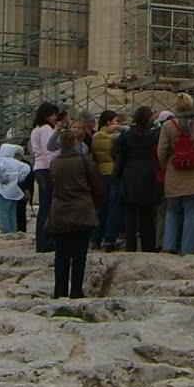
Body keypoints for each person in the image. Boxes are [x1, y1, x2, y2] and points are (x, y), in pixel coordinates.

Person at [47, 124, 105, 298]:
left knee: (61, 255)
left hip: (59, 211)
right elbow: (97, 186)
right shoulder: (83, 161)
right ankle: (76, 290)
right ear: (74, 142)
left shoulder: (54, 163)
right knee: (79, 256)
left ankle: (60, 291)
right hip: (81, 210)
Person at [157, 93, 194, 255]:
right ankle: (188, 248)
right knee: (191, 212)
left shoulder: (168, 126)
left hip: (174, 170)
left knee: (172, 210)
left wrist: (167, 167)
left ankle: (169, 245)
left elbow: (161, 151)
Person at [113, 106, 161, 252]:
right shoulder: (152, 136)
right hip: (147, 174)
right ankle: (148, 247)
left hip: (130, 174)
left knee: (130, 215)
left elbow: (116, 152)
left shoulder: (127, 136)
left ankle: (131, 247)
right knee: (147, 214)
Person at [29, 103, 62, 253]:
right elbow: (49, 150)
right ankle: (46, 240)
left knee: (45, 206)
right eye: (54, 114)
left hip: (39, 167)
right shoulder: (46, 130)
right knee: (47, 207)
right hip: (46, 168)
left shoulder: (36, 129)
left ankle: (42, 241)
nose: (56, 118)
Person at [89, 110, 120, 249]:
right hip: (113, 171)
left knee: (102, 207)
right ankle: (109, 239)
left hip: (101, 172)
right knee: (114, 207)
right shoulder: (113, 137)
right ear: (109, 122)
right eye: (116, 121)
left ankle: (96, 238)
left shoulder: (95, 137)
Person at [0, 143, 31, 233]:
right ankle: (13, 231)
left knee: (3, 213)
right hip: (14, 191)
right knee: (12, 213)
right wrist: (19, 178)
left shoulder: (2, 161)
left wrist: (3, 180)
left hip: (3, 190)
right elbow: (27, 169)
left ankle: (6, 231)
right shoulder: (18, 164)